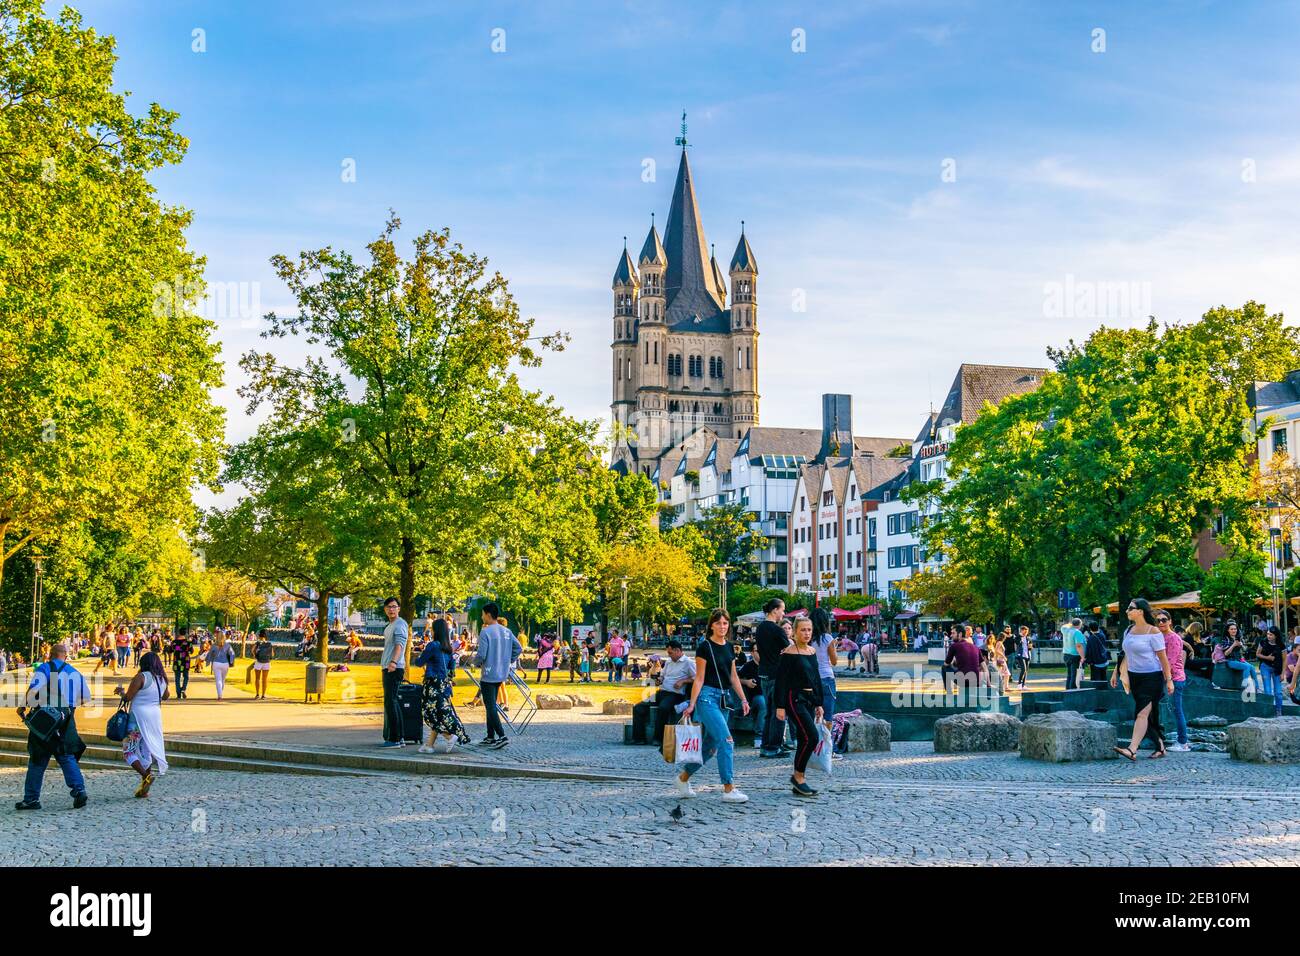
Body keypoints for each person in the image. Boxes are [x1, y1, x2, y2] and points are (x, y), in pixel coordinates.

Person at [675, 609, 750, 803]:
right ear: (711, 625)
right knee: (727, 741)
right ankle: (729, 788)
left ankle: (683, 778)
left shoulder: (730, 647)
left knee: (711, 745)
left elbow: (733, 676)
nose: (722, 627)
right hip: (707, 698)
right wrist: (692, 704)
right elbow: (699, 678)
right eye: (718, 623)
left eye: (725, 623)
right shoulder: (705, 647)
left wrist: (743, 699)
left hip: (725, 698)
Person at [15, 643, 90, 811]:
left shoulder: (45, 668)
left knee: (38, 758)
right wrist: (67, 707)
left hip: (46, 718)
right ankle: (79, 790)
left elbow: (33, 691)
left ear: (51, 654)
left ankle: (31, 799)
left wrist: (23, 707)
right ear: (65, 655)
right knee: (66, 755)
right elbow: (86, 698)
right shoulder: (76, 674)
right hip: (67, 719)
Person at [1111, 598, 1174, 760]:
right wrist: (1115, 672)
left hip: (1152, 677)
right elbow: (1125, 655)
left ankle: (1132, 749)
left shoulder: (1153, 632)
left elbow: (1163, 659)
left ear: (1140, 611)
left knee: (1141, 714)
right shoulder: (1128, 630)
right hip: (1134, 677)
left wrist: (1169, 680)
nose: (1127, 611)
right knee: (1146, 715)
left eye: (1130, 608)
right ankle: (1160, 746)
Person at [775, 616, 825, 797]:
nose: (806, 633)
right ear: (795, 632)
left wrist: (819, 702)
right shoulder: (789, 652)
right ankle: (798, 777)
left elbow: (816, 678)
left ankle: (799, 778)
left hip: (809, 698)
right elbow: (781, 682)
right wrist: (779, 706)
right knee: (811, 736)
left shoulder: (811, 651)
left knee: (806, 738)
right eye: (803, 630)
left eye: (809, 630)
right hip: (793, 698)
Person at [116, 651, 170, 797]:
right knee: (146, 750)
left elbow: (128, 697)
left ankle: (146, 776)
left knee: (129, 751)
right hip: (154, 717)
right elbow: (166, 696)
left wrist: (121, 692)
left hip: (138, 717)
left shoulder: (141, 677)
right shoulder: (162, 679)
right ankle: (144, 785)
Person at [415, 617, 470, 754]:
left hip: (432, 684)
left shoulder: (433, 645)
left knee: (429, 713)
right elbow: (452, 667)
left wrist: (418, 655)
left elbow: (420, 662)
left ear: (436, 631)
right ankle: (429, 745)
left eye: (432, 629)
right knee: (438, 712)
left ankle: (449, 736)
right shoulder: (448, 647)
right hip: (444, 685)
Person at [473, 603, 522, 749]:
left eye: (482, 614)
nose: (482, 617)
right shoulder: (506, 631)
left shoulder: (486, 632)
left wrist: (475, 663)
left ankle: (501, 735)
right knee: (491, 706)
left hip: (488, 673)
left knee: (491, 706)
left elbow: (481, 654)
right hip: (501, 673)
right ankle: (490, 736)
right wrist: (509, 660)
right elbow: (518, 648)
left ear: (488, 614)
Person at [753, 598, 793, 758]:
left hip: (764, 672)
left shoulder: (760, 628)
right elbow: (789, 648)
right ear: (775, 610)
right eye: (782, 610)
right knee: (778, 711)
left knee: (769, 711)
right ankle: (773, 746)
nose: (783, 613)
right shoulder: (776, 630)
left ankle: (766, 744)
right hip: (777, 674)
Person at [1156, 612, 1192, 751]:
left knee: (1177, 711)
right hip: (1165, 678)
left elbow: (1169, 661)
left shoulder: (1174, 638)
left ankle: (1183, 743)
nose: (1161, 622)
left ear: (1170, 621)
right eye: (1158, 620)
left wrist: (1167, 678)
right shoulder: (1160, 637)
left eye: (1164, 620)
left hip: (1174, 679)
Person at [379, 597, 410, 748]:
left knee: (390, 702)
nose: (391, 609)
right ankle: (400, 737)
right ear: (385, 609)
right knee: (392, 702)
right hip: (388, 666)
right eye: (388, 607)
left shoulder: (400, 624)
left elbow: (400, 645)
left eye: (394, 607)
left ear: (398, 608)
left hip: (394, 667)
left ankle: (395, 739)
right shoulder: (389, 626)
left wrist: (393, 662)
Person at [809, 607, 838, 730]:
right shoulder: (828, 638)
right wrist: (834, 646)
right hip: (826, 677)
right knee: (827, 716)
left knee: (812, 715)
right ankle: (826, 745)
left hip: (811, 679)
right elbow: (834, 661)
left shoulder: (808, 639)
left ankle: (813, 744)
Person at [735, 640, 767, 750]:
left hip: (770, 696)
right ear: (752, 653)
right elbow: (735, 679)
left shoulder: (769, 665)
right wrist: (746, 682)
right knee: (763, 702)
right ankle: (759, 737)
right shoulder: (748, 666)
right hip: (755, 698)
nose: (761, 653)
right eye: (758, 651)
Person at [1256, 624, 1288, 717]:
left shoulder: (1281, 645)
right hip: (1265, 667)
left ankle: (1278, 710)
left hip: (1277, 669)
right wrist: (1267, 658)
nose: (1268, 636)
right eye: (1268, 634)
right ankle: (1268, 710)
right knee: (1268, 691)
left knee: (1278, 692)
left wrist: (1283, 673)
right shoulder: (1263, 642)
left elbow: (1284, 660)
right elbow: (1257, 654)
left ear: (1276, 635)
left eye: (1271, 635)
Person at [945, 627, 982, 700]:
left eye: (953, 633)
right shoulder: (975, 647)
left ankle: (949, 693)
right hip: (977, 680)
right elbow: (984, 666)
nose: (951, 635)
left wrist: (954, 664)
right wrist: (988, 685)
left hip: (963, 680)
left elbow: (946, 664)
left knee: (944, 668)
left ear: (960, 634)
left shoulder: (954, 646)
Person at [206, 632, 236, 700]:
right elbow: (232, 654)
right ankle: (220, 694)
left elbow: (210, 654)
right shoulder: (227, 645)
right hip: (225, 664)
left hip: (216, 663)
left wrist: (208, 661)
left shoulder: (214, 645)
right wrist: (231, 661)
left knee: (218, 680)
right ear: (224, 637)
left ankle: (220, 695)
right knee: (222, 680)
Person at [1061, 618, 1085, 690]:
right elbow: (1078, 646)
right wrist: (1083, 657)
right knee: (1074, 675)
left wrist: (1071, 623)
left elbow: (1064, 625)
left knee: (1069, 675)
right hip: (1075, 655)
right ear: (1080, 624)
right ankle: (1072, 691)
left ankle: (1068, 690)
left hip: (1066, 654)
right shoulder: (1077, 632)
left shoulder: (1065, 630)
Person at [170, 627, 194, 699]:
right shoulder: (188, 642)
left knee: (177, 677)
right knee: (186, 676)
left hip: (177, 661)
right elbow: (191, 651)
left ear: (179, 633)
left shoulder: (174, 642)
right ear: (185, 633)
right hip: (185, 661)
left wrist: (177, 650)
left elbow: (170, 650)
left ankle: (178, 693)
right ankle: (183, 689)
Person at [251, 628, 273, 699]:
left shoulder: (257, 643)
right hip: (267, 662)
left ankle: (257, 694)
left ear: (259, 636)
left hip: (258, 662)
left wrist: (255, 656)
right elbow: (272, 654)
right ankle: (263, 695)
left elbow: (252, 650)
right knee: (265, 679)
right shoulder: (269, 644)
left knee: (257, 678)